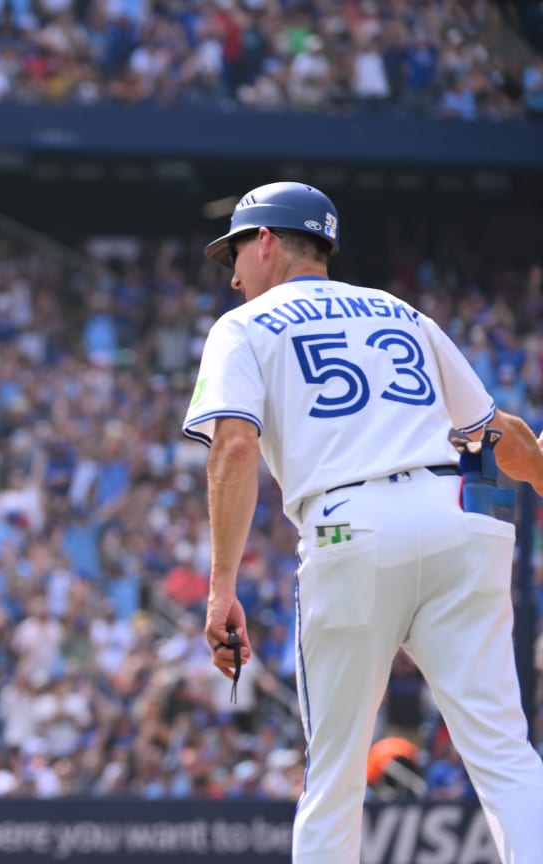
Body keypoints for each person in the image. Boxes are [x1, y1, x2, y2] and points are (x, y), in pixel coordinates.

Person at [182, 181, 543, 862]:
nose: (232, 275)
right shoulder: (402, 313)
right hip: (462, 517)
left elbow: (234, 445)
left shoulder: (244, 326)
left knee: (336, 777)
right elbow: (503, 434)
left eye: (235, 253)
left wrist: (221, 587)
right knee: (505, 755)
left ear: (265, 242)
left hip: (353, 524)